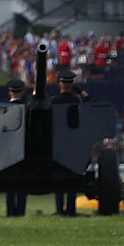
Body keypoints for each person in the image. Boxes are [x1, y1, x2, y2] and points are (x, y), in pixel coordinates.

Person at [51, 68, 82, 214]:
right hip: (74, 143)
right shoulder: (77, 102)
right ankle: (71, 208)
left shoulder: (54, 102)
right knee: (72, 177)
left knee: (58, 178)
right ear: (71, 84)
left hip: (58, 143)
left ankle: (59, 208)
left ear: (60, 84)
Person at [3, 79, 28, 216]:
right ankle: (21, 210)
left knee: (10, 183)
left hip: (8, 150)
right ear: (22, 92)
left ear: (10, 92)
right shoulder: (27, 108)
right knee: (22, 182)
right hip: (24, 148)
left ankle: (10, 210)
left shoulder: (4, 109)